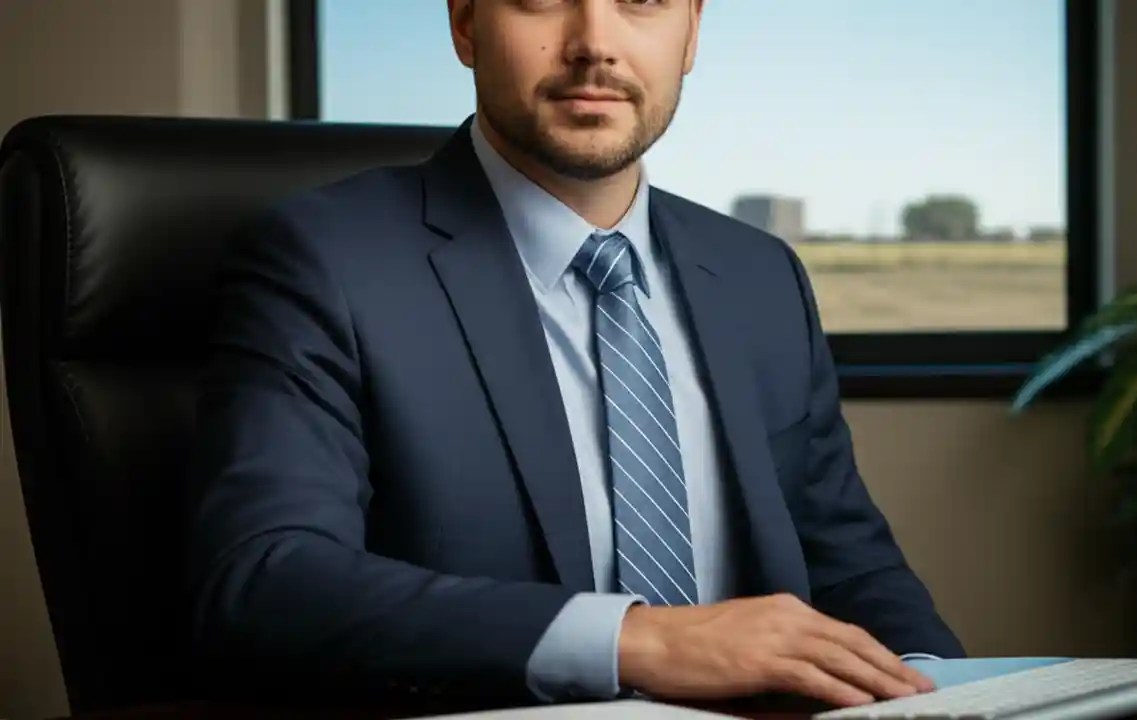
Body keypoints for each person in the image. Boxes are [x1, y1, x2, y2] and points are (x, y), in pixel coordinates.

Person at [187, 0, 964, 710]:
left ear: (691, 31)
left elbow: (852, 567)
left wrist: (942, 692)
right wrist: (641, 641)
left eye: (643, 2)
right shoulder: (325, 261)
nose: (595, 43)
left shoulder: (760, 276)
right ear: (464, 24)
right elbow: (269, 579)